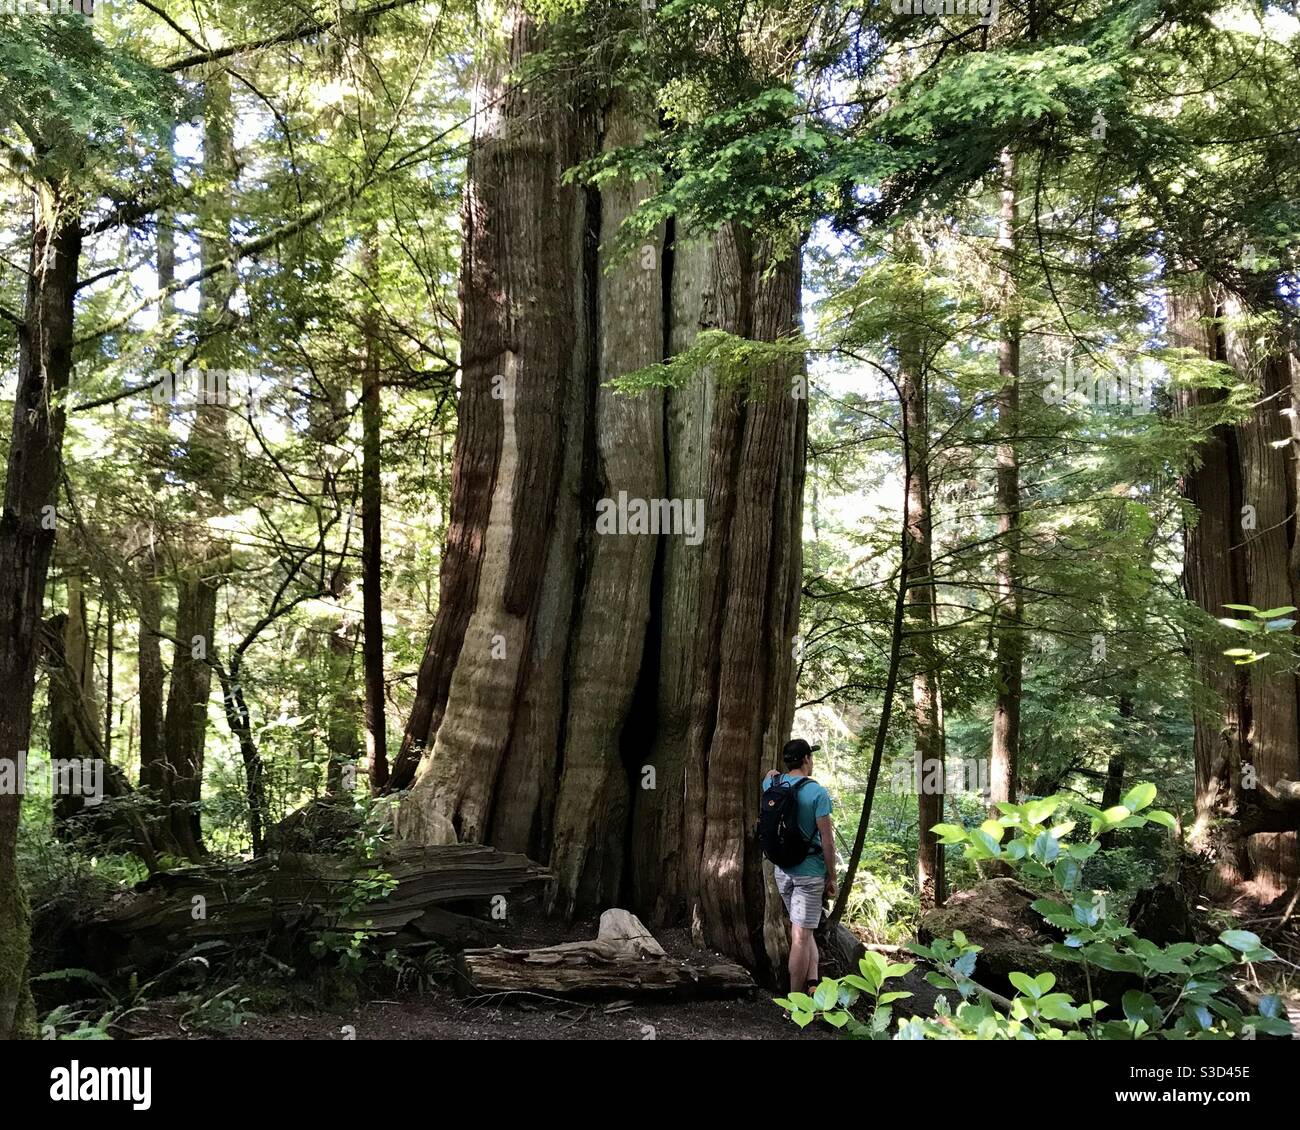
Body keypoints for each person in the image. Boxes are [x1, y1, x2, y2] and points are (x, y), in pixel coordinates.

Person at [762, 737, 837, 995]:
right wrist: (832, 877)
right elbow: (827, 841)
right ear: (806, 760)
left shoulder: (772, 784)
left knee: (803, 930)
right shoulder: (817, 792)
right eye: (811, 757)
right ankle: (795, 1001)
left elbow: (769, 775)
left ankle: (812, 983)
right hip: (810, 873)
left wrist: (773, 773)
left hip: (782, 871)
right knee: (800, 937)